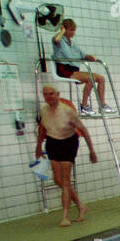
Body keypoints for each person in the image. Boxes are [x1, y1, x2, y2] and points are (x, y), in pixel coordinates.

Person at [35, 85, 98, 227]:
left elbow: (84, 130)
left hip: (68, 143)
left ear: (58, 94)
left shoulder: (68, 111)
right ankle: (81, 206)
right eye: (45, 94)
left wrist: (92, 151)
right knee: (58, 179)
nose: (48, 96)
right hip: (52, 142)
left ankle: (65, 216)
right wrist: (38, 146)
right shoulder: (44, 110)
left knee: (65, 180)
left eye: (51, 94)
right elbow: (42, 130)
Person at [52, 19, 114, 116]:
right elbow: (55, 40)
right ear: (64, 29)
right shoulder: (59, 41)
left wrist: (91, 57)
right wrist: (62, 31)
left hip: (74, 70)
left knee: (101, 78)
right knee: (91, 78)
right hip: (64, 70)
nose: (73, 32)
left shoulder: (73, 44)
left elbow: (83, 55)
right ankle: (84, 106)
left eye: (74, 30)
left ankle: (102, 106)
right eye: (71, 30)